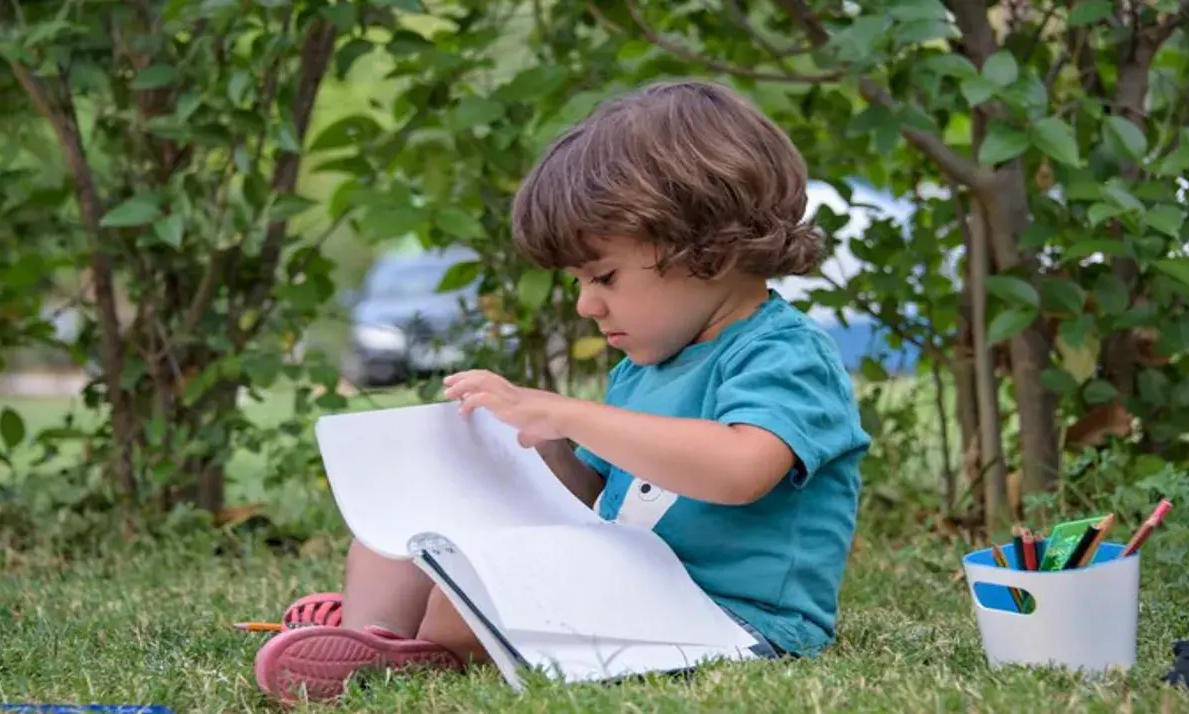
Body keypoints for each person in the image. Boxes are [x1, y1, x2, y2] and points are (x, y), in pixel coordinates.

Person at [253, 78, 870, 705]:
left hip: (733, 623)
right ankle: (372, 639)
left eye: (603, 276)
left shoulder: (785, 354)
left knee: (477, 580)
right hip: (632, 592)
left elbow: (739, 470)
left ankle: (418, 654)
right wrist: (529, 454)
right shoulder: (646, 367)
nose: (586, 304)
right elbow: (591, 495)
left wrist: (567, 412)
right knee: (410, 525)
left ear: (708, 247)